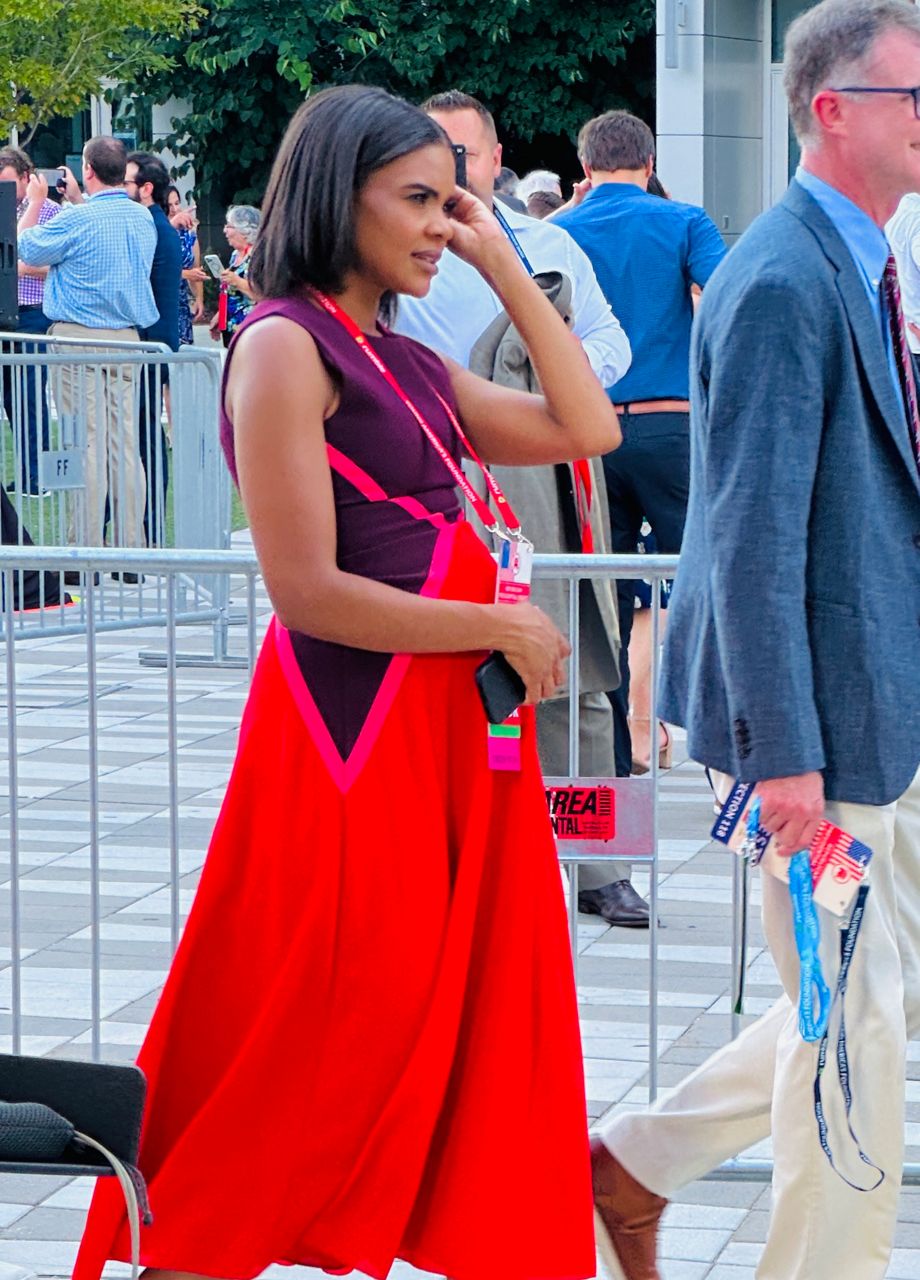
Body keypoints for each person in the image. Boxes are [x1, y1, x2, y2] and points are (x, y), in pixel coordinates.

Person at [72, 83, 622, 1280]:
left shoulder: (410, 364)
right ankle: (196, 1241)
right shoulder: (281, 344)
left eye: (452, 200)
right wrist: (494, 622)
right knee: (322, 1018)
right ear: (340, 194)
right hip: (353, 736)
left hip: (446, 732)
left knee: (436, 1014)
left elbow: (588, 426)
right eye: (418, 200)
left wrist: (504, 259)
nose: (440, 223)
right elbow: (307, 590)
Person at [590, 3, 920, 1279]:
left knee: (857, 1006)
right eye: (911, 94)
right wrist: (777, 760)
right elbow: (748, 536)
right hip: (808, 743)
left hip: (869, 718)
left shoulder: (856, 263)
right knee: (853, 1029)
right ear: (832, 110)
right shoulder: (784, 278)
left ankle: (630, 1161)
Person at [398, 90, 650, 929]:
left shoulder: (551, 245)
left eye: (464, 156)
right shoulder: (397, 255)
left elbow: (612, 344)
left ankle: (598, 865)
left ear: (497, 156)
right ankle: (482, 857)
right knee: (475, 682)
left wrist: (549, 379)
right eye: (434, 157)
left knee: (579, 675)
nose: (452, 175)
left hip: (546, 484)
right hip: (442, 485)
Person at [554, 110, 726, 777]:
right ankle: (719, 740)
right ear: (649, 164)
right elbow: (728, 293)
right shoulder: (684, 221)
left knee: (607, 592)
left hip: (591, 429)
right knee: (705, 579)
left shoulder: (559, 232)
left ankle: (617, 750)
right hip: (672, 422)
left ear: (585, 166)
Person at [17, 136, 157, 551]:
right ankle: (132, 547)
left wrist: (36, 205)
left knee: (86, 445)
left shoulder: (76, 220)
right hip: (127, 340)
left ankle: (86, 547)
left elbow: (25, 247)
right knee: (125, 446)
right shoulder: (140, 218)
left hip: (79, 340)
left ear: (88, 170)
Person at [126, 152, 182, 549]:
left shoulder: (153, 227)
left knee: (145, 437)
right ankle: (147, 529)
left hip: (150, 345)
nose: (120, 188)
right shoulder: (154, 225)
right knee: (144, 436)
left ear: (146, 188)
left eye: (126, 183)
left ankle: (151, 530)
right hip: (153, 344)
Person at [0, 146, 61, 495]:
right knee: (12, 399)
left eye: (9, 183)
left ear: (27, 177)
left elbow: (58, 265)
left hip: (34, 312)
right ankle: (26, 471)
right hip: (6, 313)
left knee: (31, 396)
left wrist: (23, 268)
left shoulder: (51, 212)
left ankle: (38, 475)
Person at [209, 204, 259, 347]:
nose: (224, 230)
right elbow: (231, 292)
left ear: (244, 230)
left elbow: (263, 294)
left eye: (229, 226)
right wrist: (220, 315)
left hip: (249, 327)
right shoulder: (235, 255)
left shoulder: (258, 256)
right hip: (232, 326)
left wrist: (236, 281)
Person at [166, 184, 206, 346]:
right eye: (169, 205)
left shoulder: (188, 232)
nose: (175, 209)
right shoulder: (156, 229)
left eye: (177, 203)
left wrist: (199, 299)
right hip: (162, 301)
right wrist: (184, 274)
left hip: (181, 303)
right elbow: (154, 267)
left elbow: (195, 268)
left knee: (184, 356)